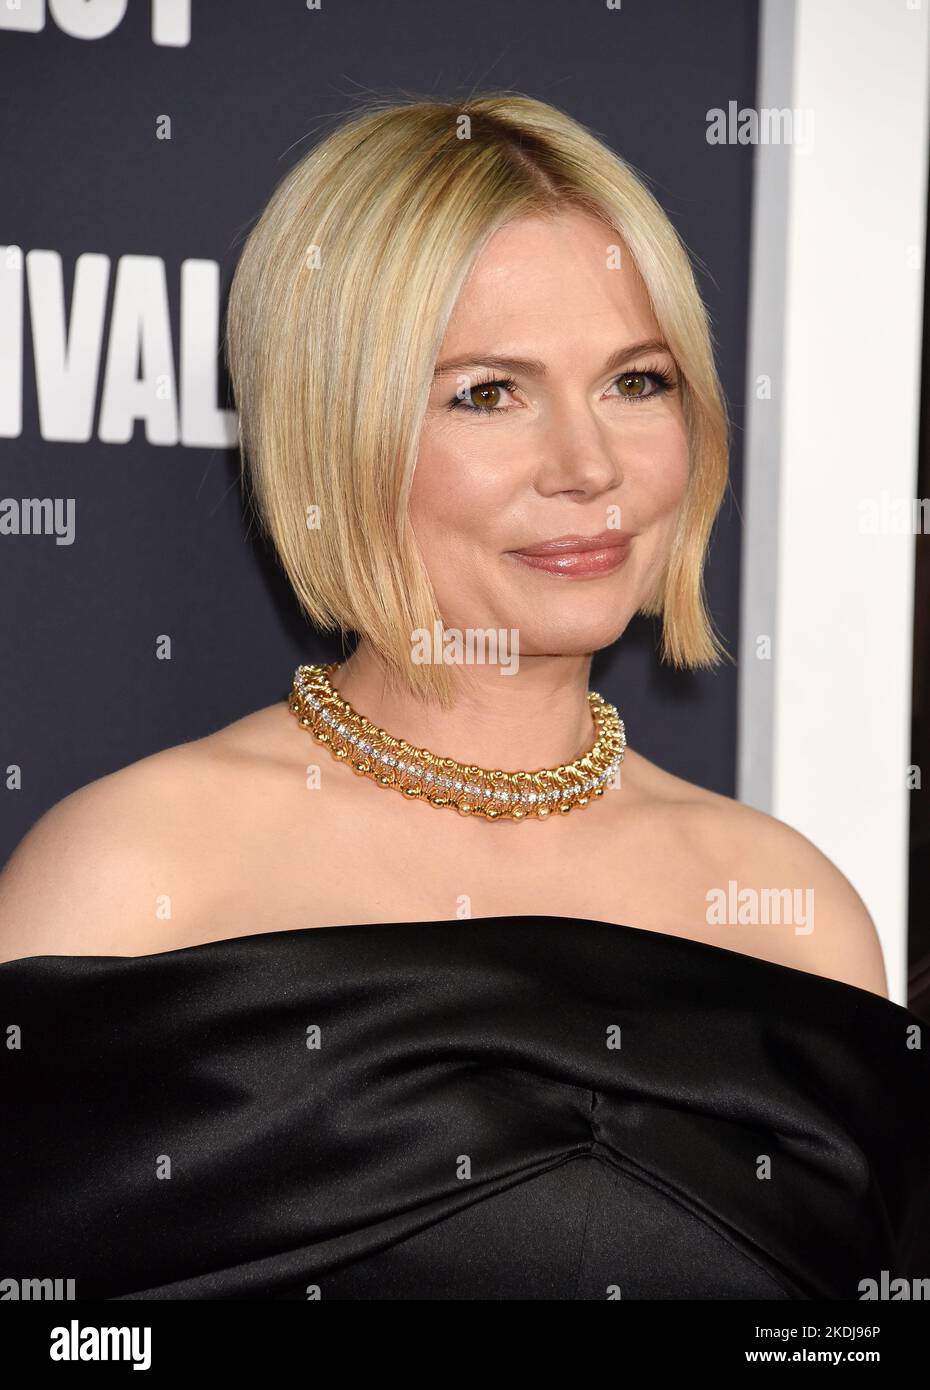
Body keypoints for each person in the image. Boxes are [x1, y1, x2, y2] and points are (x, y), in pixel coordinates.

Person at [0, 93, 927, 1301]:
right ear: (339, 431)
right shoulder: (128, 878)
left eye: (637, 381)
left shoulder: (798, 919)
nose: (589, 466)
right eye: (489, 393)